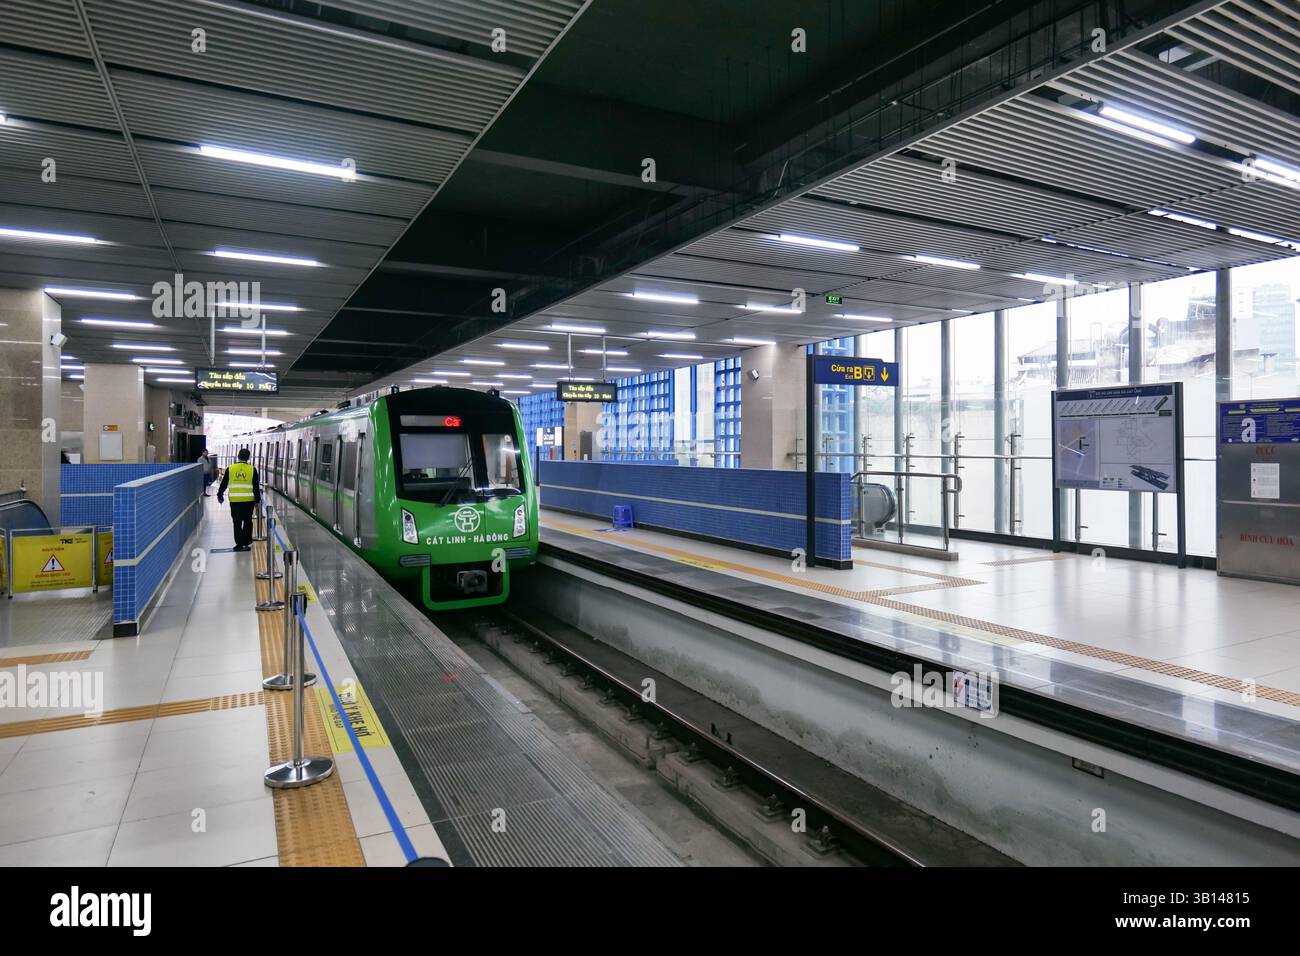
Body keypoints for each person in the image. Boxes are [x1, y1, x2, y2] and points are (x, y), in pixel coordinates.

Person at [217, 448, 261, 551]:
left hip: (235, 501)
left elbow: (224, 483)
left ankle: (239, 544)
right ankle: (246, 541)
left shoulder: (230, 468)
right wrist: (257, 500)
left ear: (238, 456)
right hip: (248, 500)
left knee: (237, 522)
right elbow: (256, 487)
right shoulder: (252, 469)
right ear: (248, 458)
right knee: (247, 521)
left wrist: (220, 495)